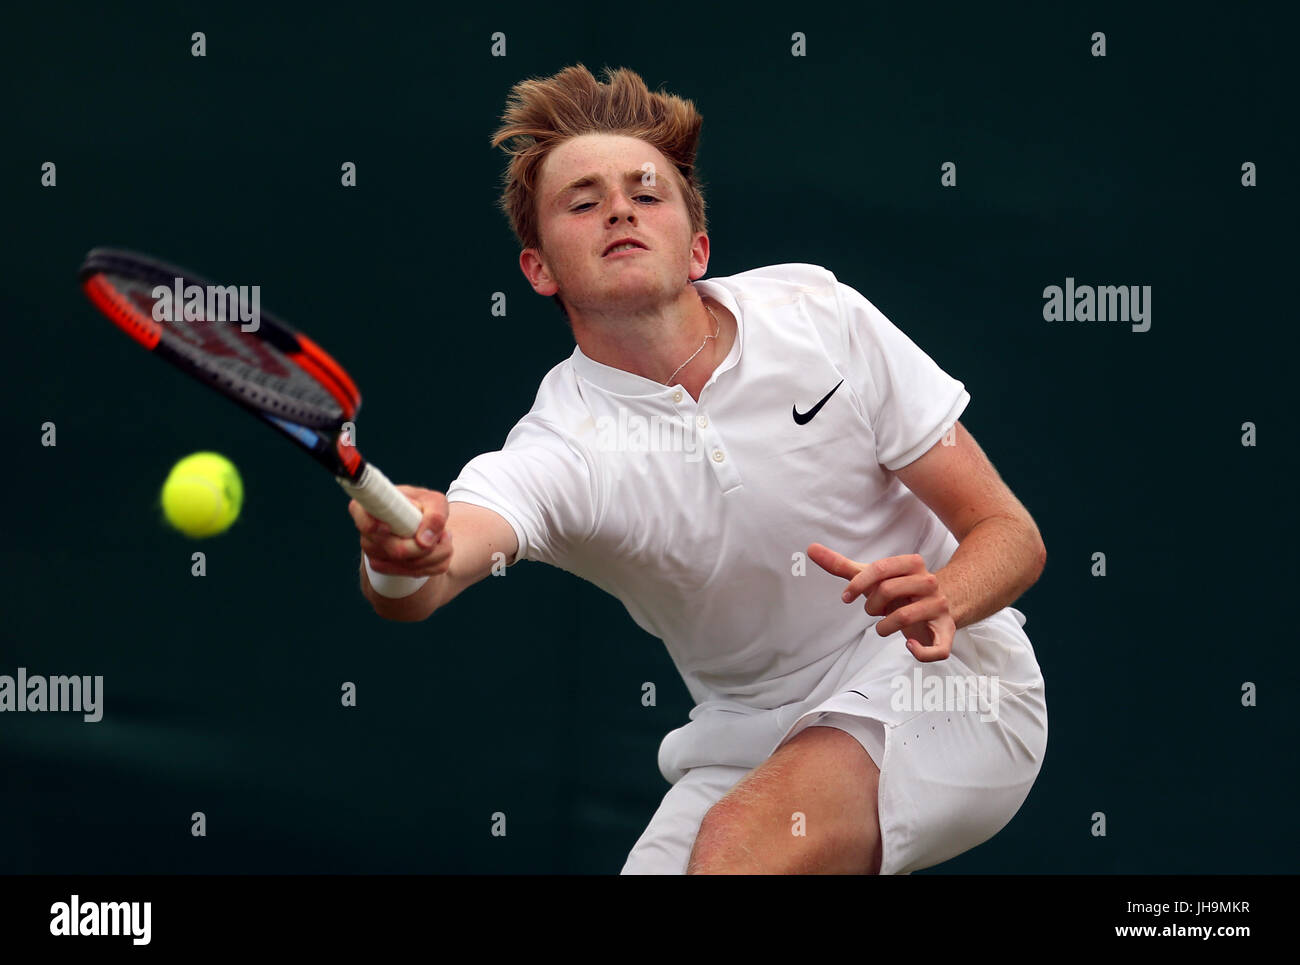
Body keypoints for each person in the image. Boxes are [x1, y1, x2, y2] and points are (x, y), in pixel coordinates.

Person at [349, 64, 1048, 875]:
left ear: (698, 246)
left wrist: (947, 593)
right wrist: (400, 553)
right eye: (583, 201)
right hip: (749, 737)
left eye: (647, 194)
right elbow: (430, 573)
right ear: (539, 269)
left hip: (954, 685)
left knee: (735, 852)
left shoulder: (820, 316)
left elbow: (1011, 534)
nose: (619, 208)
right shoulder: (562, 446)